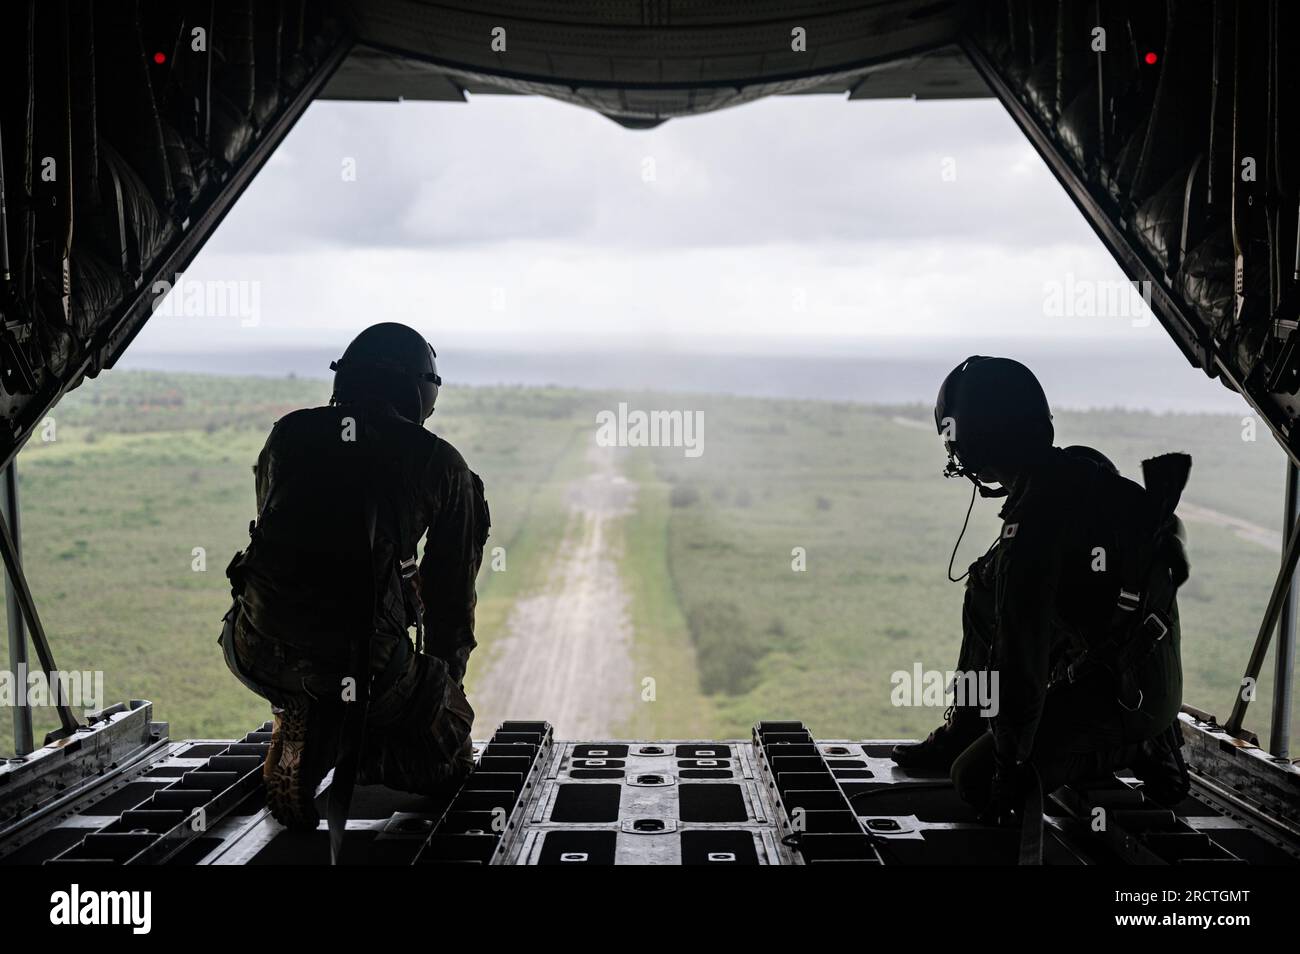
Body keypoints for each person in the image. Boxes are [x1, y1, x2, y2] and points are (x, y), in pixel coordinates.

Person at [892, 356, 1191, 823]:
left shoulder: (1035, 527)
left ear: (975, 444)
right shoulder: (1078, 472)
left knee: (972, 778)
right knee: (985, 585)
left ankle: (1145, 745)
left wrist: (1008, 762)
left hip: (1126, 694)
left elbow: (1020, 662)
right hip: (1129, 668)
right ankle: (967, 723)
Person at [220, 323, 490, 837]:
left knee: (326, 669)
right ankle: (341, 739)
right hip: (362, 665)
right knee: (447, 756)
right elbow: (452, 602)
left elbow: (288, 557)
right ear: (419, 392)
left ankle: (302, 715)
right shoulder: (440, 464)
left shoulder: (290, 432)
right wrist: (440, 695)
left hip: (250, 647)